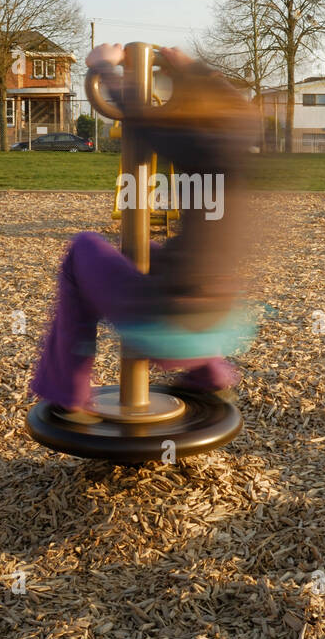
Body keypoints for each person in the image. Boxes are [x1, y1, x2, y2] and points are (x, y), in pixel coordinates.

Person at [29, 43, 258, 417]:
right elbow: (232, 107)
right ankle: (209, 372)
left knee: (82, 251)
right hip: (222, 322)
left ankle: (65, 389)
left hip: (165, 326)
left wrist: (106, 69)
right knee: (144, 249)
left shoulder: (202, 147)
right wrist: (192, 69)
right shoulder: (240, 136)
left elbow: (143, 119)